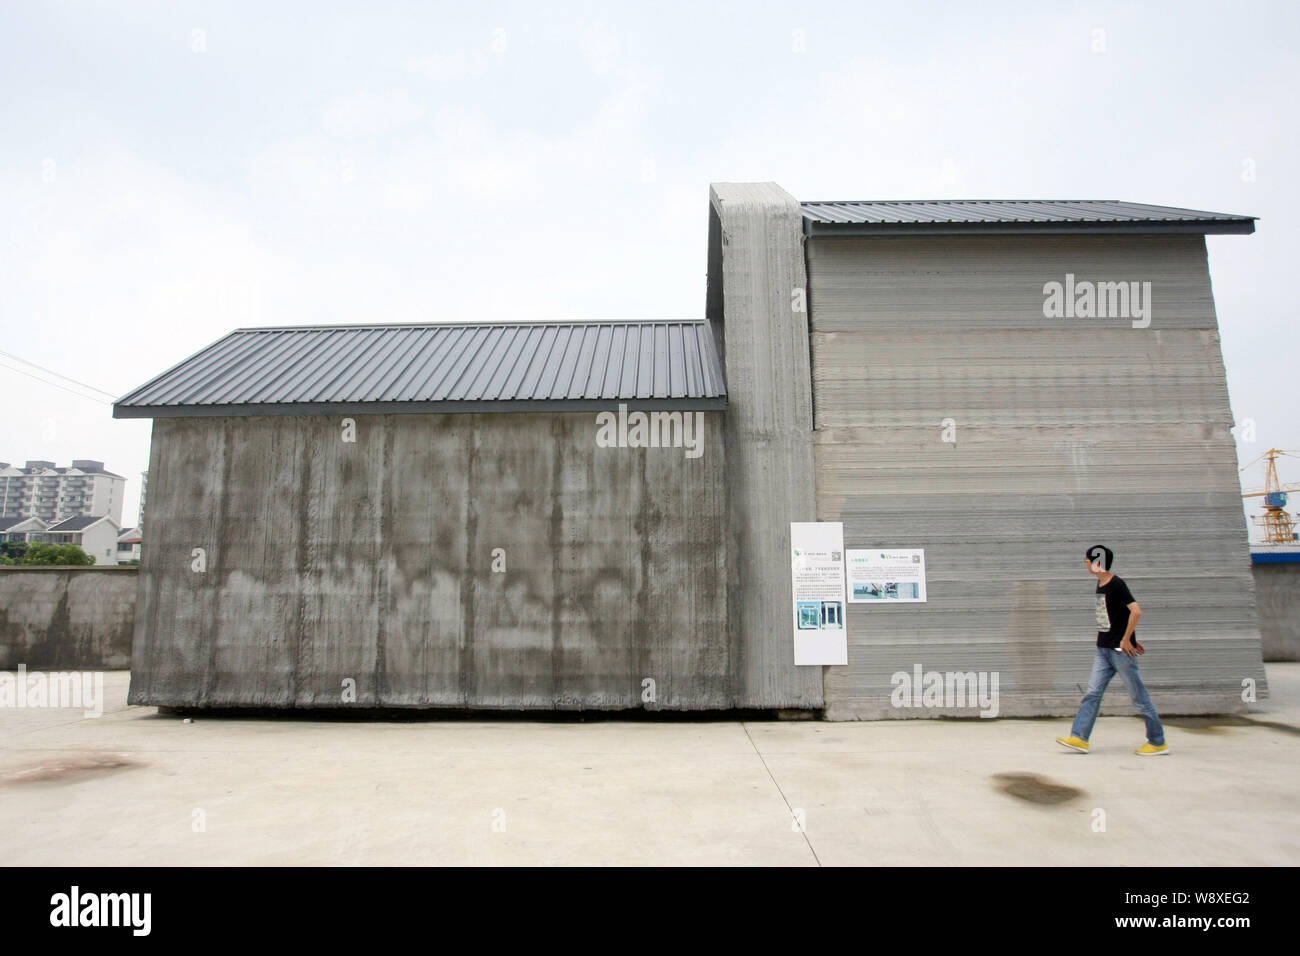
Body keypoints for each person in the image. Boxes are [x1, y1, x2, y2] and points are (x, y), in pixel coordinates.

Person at [1056, 545, 1169, 756]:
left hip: (1119, 652)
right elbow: (1117, 617)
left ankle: (1157, 741)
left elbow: (1136, 611)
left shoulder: (1117, 584)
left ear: (1098, 561)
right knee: (1092, 693)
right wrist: (1132, 638)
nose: (1086, 563)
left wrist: (1127, 639)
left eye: (1088, 560)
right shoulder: (1101, 584)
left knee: (1139, 698)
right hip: (1104, 649)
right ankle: (1079, 738)